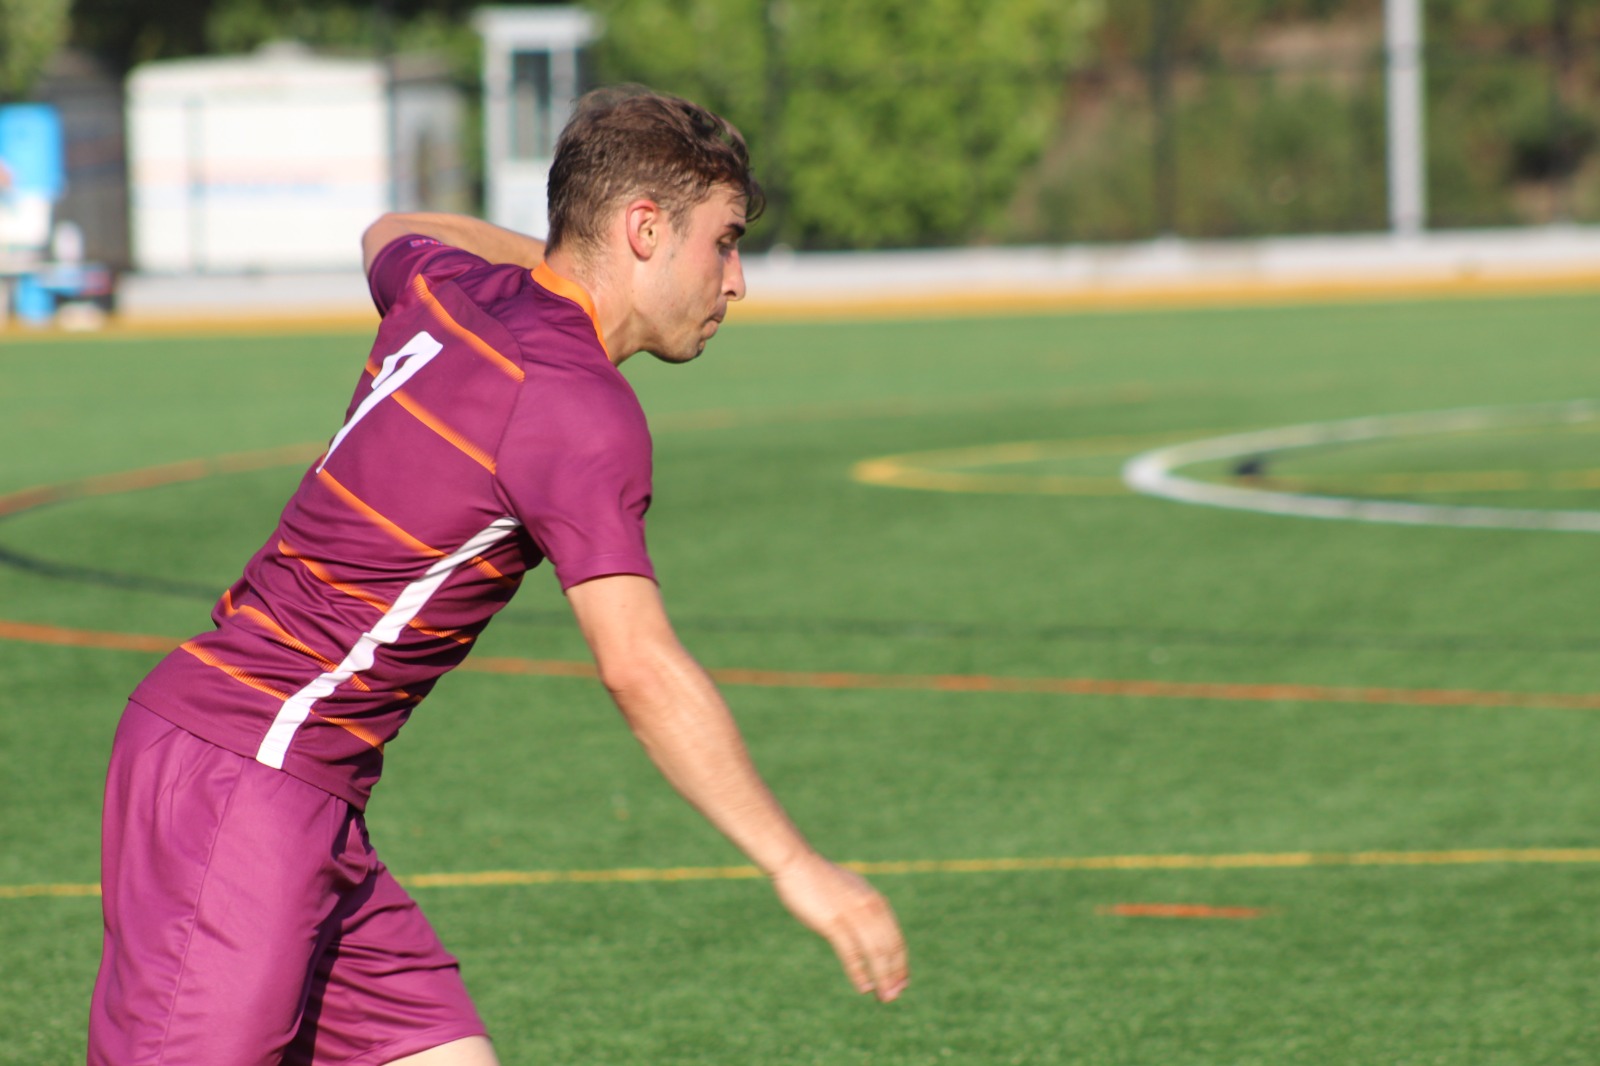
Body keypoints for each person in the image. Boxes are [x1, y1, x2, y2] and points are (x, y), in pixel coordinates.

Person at [89, 85, 908, 1066]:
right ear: (644, 228)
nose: (734, 282)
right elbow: (639, 666)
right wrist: (795, 863)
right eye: (722, 242)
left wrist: (560, 263)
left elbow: (389, 228)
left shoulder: (445, 285)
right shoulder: (578, 408)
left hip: (294, 784)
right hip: (243, 772)